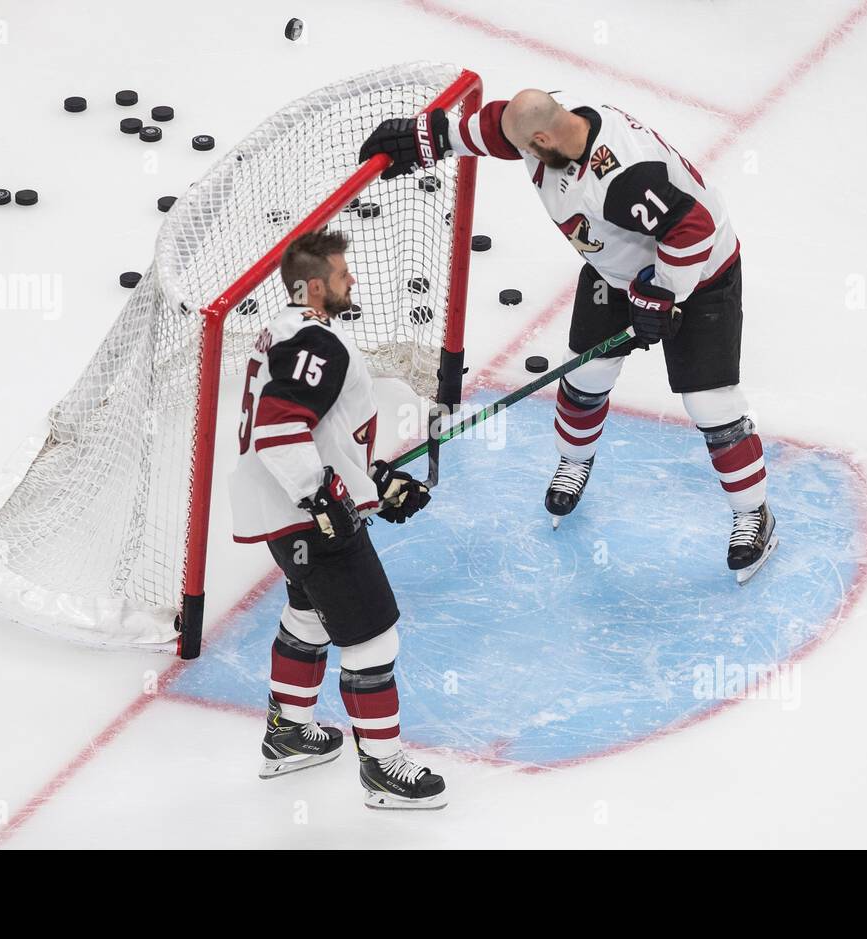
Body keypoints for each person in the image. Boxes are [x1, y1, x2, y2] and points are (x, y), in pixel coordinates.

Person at [360, 89, 777, 582]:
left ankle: (755, 514)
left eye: (526, 149)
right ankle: (573, 464)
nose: (521, 156)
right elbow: (498, 127)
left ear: (542, 139)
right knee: (586, 375)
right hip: (615, 271)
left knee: (712, 405)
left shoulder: (623, 178)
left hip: (700, 276)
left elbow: (694, 229)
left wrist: (662, 293)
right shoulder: (557, 121)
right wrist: (430, 138)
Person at [227, 228, 446, 808]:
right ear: (317, 285)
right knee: (373, 638)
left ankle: (291, 733)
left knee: (310, 613)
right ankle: (383, 768)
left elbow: (318, 434)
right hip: (306, 517)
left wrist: (375, 482)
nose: (353, 282)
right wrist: (324, 499)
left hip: (282, 514)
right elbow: (280, 431)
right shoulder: (317, 343)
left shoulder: (284, 329)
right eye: (345, 275)